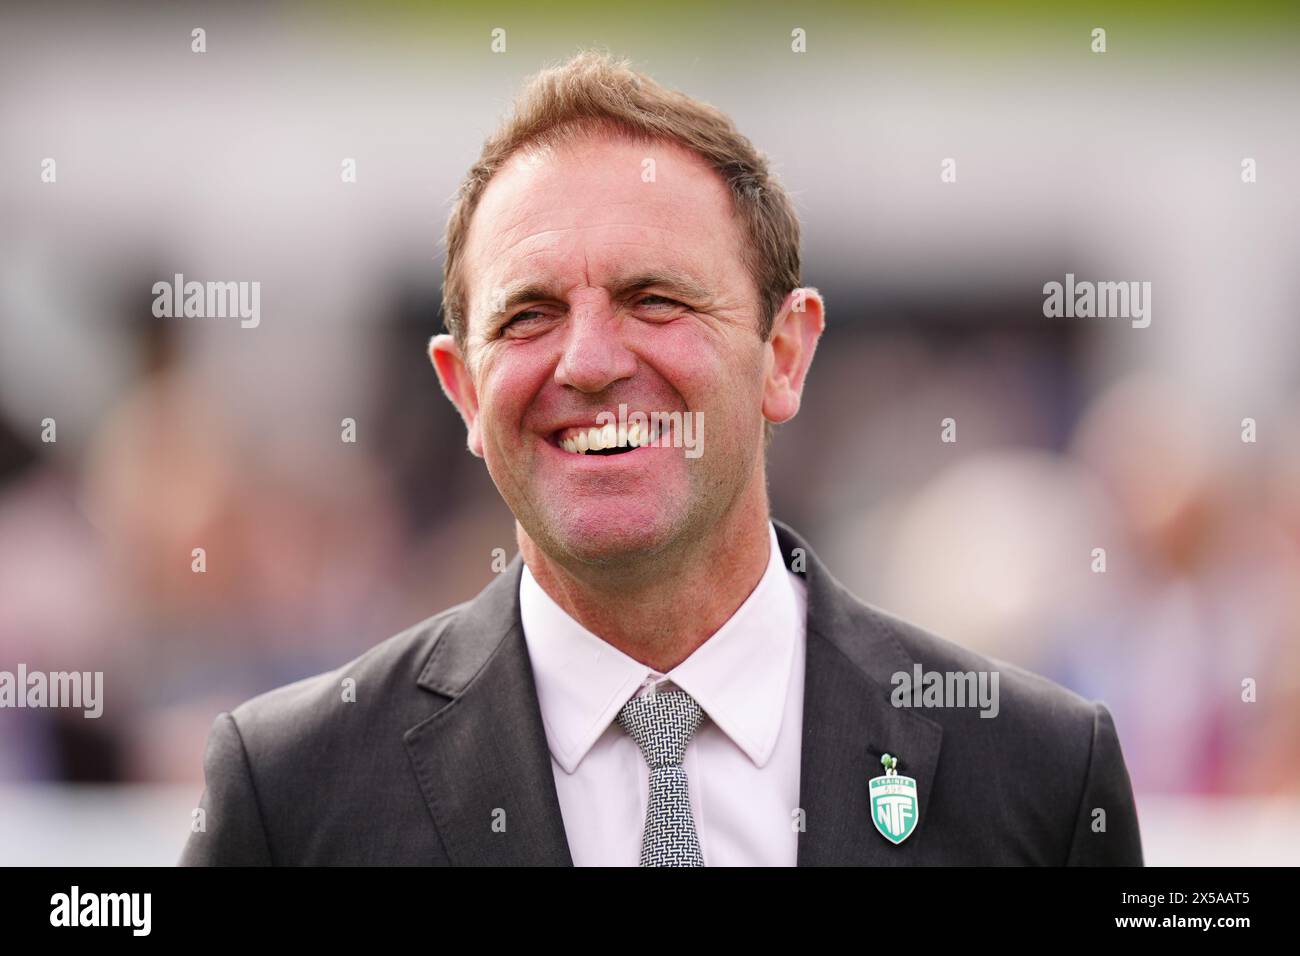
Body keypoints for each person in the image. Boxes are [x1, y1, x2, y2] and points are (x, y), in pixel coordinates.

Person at [180, 50, 1142, 866]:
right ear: (464, 389)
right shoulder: (293, 794)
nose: (590, 363)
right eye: (529, 316)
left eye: (656, 300)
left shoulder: (1037, 775)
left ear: (784, 353)